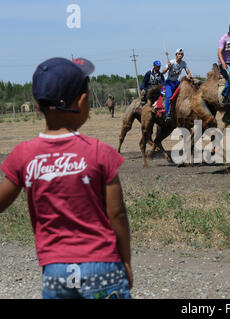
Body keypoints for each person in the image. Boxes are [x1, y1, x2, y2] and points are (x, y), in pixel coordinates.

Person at [0, 57, 132, 299]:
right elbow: (117, 214)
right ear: (82, 103)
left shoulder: (23, 155)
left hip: (55, 271)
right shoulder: (100, 152)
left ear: (37, 106)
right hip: (102, 264)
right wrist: (126, 261)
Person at [161, 48, 191, 120]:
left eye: (181, 54)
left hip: (176, 82)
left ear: (183, 55)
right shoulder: (171, 62)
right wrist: (168, 67)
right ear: (176, 55)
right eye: (178, 54)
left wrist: (188, 76)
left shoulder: (183, 63)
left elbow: (188, 72)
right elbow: (163, 72)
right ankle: (166, 113)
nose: (180, 55)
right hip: (168, 82)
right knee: (169, 96)